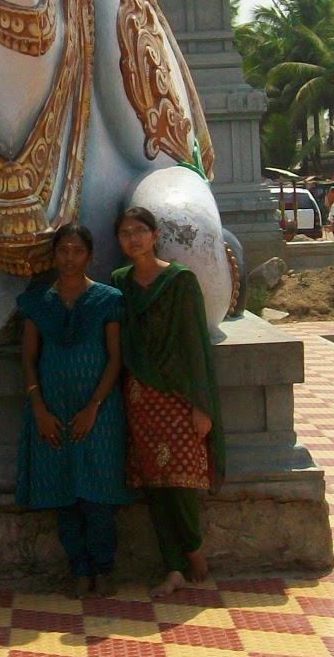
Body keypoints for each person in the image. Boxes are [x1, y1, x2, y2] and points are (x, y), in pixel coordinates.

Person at [112, 206, 225, 598]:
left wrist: (201, 404)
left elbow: (195, 344)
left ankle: (191, 547)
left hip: (177, 397)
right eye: (125, 233)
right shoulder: (120, 283)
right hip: (140, 398)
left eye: (139, 231)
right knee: (154, 485)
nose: (133, 239)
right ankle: (173, 566)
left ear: (155, 234)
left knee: (181, 481)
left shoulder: (180, 281)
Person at [16, 223, 134, 596]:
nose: (69, 258)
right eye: (63, 251)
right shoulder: (38, 303)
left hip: (99, 413)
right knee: (64, 494)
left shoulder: (106, 300)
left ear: (90, 256)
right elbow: (28, 359)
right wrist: (38, 407)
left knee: (98, 496)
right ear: (54, 255)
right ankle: (79, 569)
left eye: (77, 251)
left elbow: (115, 359)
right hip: (52, 411)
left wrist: (94, 407)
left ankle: (104, 567)